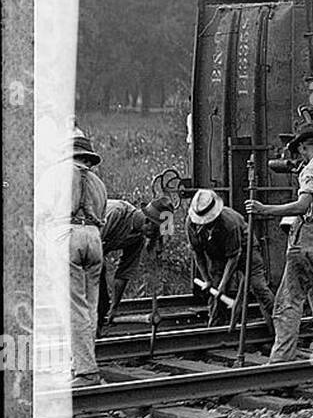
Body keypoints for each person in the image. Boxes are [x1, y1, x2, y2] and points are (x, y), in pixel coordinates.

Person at [246, 127, 313, 363]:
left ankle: (281, 360)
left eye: (299, 152)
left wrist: (266, 210)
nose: (299, 158)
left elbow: (304, 205)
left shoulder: (312, 169)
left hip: (310, 242)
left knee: (288, 300)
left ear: (304, 147)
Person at [36, 135, 108, 385]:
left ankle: (86, 371)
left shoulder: (55, 175)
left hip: (65, 236)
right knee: (90, 306)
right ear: (88, 158)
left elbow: (40, 212)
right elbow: (103, 216)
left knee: (70, 306)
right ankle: (82, 363)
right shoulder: (98, 183)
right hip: (94, 239)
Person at [187, 188, 277, 337]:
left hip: (246, 250)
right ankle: (215, 334)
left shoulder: (230, 223)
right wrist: (208, 280)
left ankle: (279, 330)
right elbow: (198, 254)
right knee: (215, 293)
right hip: (218, 254)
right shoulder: (191, 224)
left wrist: (223, 284)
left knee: (259, 287)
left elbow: (234, 257)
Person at [98, 195, 172, 330]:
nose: (155, 236)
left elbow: (123, 273)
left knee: (102, 307)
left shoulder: (138, 239)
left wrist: (113, 308)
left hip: (93, 254)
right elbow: (92, 249)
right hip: (72, 241)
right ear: (148, 223)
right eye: (156, 231)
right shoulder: (116, 213)